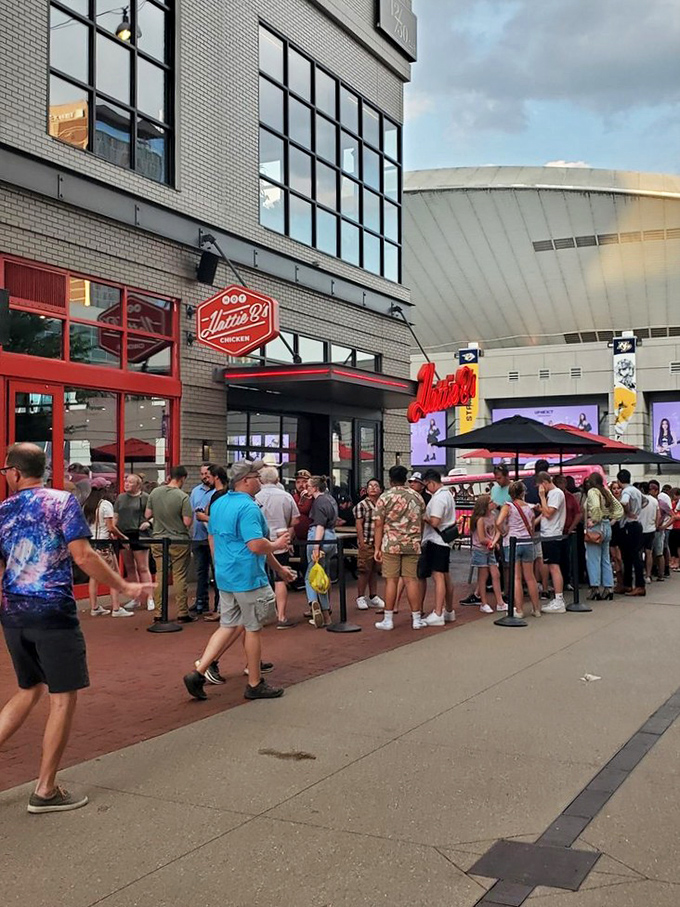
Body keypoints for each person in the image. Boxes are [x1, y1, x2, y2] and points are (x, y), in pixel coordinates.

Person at [0, 443, 153, 813]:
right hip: (53, 611)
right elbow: (83, 555)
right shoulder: (61, 502)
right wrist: (124, 585)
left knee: (28, 689)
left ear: (15, 472)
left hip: (14, 610)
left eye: (5, 471)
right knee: (62, 696)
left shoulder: (3, 510)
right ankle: (46, 789)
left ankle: (46, 787)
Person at [183, 460, 295, 701]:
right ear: (245, 480)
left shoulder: (219, 503)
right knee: (252, 628)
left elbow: (215, 537)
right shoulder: (249, 508)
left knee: (228, 625)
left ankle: (199, 672)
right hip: (247, 576)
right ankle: (254, 682)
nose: (260, 480)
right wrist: (277, 545)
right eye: (256, 476)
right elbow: (256, 545)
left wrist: (278, 568)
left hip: (226, 574)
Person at [373, 465, 428, 631]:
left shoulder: (385, 497)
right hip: (412, 543)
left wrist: (377, 547)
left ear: (390, 479)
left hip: (391, 544)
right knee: (411, 580)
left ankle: (388, 619)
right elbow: (422, 521)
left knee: (391, 580)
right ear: (405, 479)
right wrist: (418, 538)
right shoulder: (417, 497)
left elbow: (378, 524)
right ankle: (416, 619)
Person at [146, 466, 194, 623]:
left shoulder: (155, 493)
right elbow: (187, 522)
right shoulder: (183, 497)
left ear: (169, 477)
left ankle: (159, 612)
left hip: (158, 539)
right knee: (179, 575)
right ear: (183, 478)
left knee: (160, 575)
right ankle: (182, 612)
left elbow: (148, 514)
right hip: (178, 540)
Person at [256, 465, 300, 628]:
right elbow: (295, 519)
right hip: (280, 540)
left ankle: (260, 616)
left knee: (259, 577)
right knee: (280, 577)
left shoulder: (255, 497)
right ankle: (281, 616)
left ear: (261, 480)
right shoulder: (286, 496)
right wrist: (285, 524)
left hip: (259, 541)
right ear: (277, 479)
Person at [82, 484, 132, 617]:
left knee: (94, 576)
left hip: (91, 542)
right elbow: (110, 527)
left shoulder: (87, 505)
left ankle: (94, 607)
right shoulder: (106, 505)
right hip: (104, 543)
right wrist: (123, 537)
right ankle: (116, 608)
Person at [496, 481, 541, 618]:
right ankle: (536, 609)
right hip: (527, 542)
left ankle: (520, 610)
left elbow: (498, 522)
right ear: (523, 493)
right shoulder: (529, 508)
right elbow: (532, 527)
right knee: (530, 577)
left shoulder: (508, 506)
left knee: (516, 578)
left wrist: (503, 532)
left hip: (512, 542)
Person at [420, 468, 457, 627]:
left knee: (438, 576)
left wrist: (424, 517)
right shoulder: (448, 494)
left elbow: (435, 521)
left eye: (426, 485)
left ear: (431, 482)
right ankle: (448, 610)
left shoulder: (439, 498)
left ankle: (438, 612)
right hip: (444, 541)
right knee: (445, 576)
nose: (426, 488)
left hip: (436, 540)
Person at [114, 473, 154, 612]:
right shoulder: (120, 498)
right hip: (123, 534)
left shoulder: (145, 497)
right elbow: (116, 515)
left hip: (139, 533)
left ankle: (149, 597)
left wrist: (148, 523)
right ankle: (136, 597)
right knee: (130, 566)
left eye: (130, 482)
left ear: (138, 485)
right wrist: (114, 530)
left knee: (143, 567)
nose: (127, 484)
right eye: (126, 481)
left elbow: (155, 515)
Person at [583, 472, 623, 600]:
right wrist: (610, 518)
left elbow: (595, 507)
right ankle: (608, 587)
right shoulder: (606, 492)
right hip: (606, 526)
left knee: (593, 558)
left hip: (596, 527)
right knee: (606, 558)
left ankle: (595, 588)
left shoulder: (593, 492)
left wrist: (594, 519)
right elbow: (619, 509)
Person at [305, 476, 338, 628]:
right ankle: (326, 616)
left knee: (311, 576)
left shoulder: (318, 502)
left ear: (315, 488)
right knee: (321, 575)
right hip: (331, 536)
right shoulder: (329, 500)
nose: (306, 488)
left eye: (309, 486)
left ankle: (314, 603)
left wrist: (316, 547)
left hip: (318, 537)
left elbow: (319, 525)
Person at [535, 471, 567, 613]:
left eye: (540, 486)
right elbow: (546, 512)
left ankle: (559, 599)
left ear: (544, 483)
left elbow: (548, 513)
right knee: (551, 565)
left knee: (554, 567)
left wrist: (542, 497)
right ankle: (558, 598)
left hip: (552, 534)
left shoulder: (556, 494)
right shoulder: (554, 494)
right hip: (549, 533)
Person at [469, 495, 505, 613]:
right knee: (483, 576)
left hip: (489, 549)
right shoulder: (480, 519)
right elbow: (481, 538)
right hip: (480, 549)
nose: (493, 503)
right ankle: (483, 602)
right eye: (491, 502)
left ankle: (500, 602)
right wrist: (491, 542)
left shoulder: (493, 516)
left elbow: (496, 531)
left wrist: (494, 541)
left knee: (496, 574)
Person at [353, 478, 385, 611]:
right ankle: (360, 596)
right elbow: (359, 524)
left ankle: (373, 595)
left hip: (379, 543)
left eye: (376, 486)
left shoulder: (382, 504)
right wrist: (362, 542)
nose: (373, 488)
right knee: (364, 569)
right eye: (370, 486)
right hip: (367, 541)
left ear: (381, 490)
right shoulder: (362, 505)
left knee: (374, 570)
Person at [189, 463, 216, 615]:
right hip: (198, 537)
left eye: (207, 474)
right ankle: (201, 601)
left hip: (214, 538)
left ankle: (218, 604)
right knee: (201, 571)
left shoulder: (218, 492)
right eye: (202, 474)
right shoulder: (195, 491)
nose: (204, 477)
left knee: (217, 571)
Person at [616, 469, 645, 595]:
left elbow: (624, 502)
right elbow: (645, 501)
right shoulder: (636, 490)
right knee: (629, 556)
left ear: (619, 480)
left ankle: (638, 585)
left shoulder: (626, 491)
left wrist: (628, 512)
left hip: (629, 525)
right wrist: (637, 511)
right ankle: (628, 584)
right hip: (636, 524)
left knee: (631, 556)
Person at [554, 473, 583, 589]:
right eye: (559, 483)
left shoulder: (570, 497)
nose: (561, 485)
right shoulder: (552, 496)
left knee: (568, 557)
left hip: (567, 531)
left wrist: (571, 528)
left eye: (563, 482)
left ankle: (567, 580)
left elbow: (578, 513)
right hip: (555, 531)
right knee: (557, 558)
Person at [648, 479, 672, 581]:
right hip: (650, 529)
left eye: (652, 489)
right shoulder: (648, 501)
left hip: (658, 530)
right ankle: (653, 571)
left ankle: (661, 574)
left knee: (659, 552)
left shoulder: (662, 503)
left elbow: (673, 516)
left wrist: (665, 525)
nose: (649, 491)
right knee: (651, 552)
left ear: (656, 490)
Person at [638, 481, 660, 585]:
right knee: (649, 553)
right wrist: (655, 526)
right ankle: (648, 575)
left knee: (638, 553)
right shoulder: (654, 501)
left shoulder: (639, 500)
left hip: (639, 529)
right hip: (650, 529)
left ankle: (639, 573)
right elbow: (658, 516)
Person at [608, 480, 625, 590]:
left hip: (622, 530)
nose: (616, 490)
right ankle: (619, 582)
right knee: (614, 557)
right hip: (612, 530)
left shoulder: (624, 501)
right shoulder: (610, 502)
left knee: (619, 557)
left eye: (618, 488)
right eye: (614, 488)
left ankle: (623, 581)